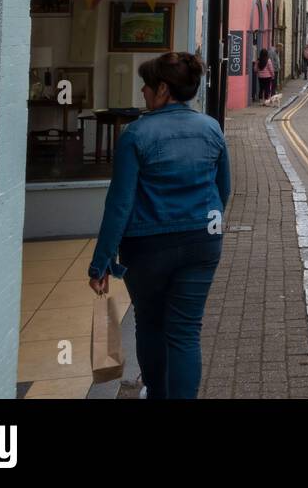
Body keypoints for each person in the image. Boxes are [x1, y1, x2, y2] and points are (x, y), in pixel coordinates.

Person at [87, 52, 228, 399]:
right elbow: (222, 190)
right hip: (202, 242)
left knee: (150, 324)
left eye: (147, 86)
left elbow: (119, 204)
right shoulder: (211, 127)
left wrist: (102, 260)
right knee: (184, 332)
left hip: (147, 248)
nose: (143, 93)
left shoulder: (136, 135)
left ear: (163, 88)